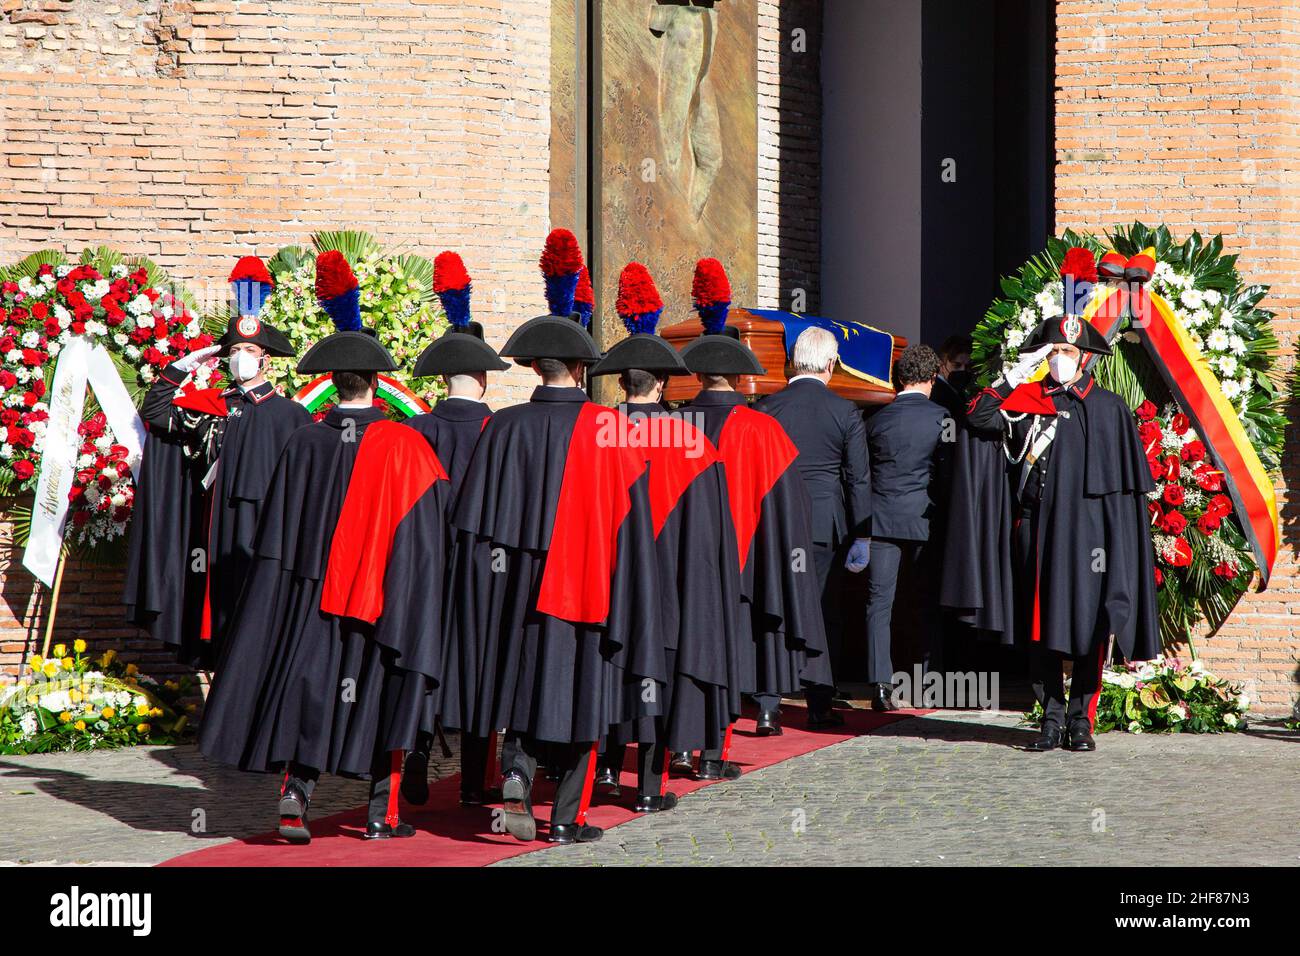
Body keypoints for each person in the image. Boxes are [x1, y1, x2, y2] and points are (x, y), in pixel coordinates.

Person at [198, 251, 450, 842]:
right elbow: (424, 543)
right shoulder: (404, 445)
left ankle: (295, 795)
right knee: (383, 693)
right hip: (379, 596)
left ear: (332, 384)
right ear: (380, 384)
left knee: (306, 691)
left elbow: (275, 535)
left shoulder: (304, 442)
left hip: (310, 594)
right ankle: (380, 816)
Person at [444, 230, 665, 844]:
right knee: (580, 692)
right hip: (587, 584)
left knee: (523, 681)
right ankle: (566, 819)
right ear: (580, 367)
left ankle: (515, 772)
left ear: (534, 369)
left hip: (515, 587)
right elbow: (633, 528)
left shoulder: (504, 426)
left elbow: (476, 524)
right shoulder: (609, 428)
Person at [942, 247, 1160, 752]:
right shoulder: (1029, 400)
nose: (1061, 361)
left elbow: (1124, 493)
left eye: (1067, 354)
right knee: (1040, 628)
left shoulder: (1109, 410)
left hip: (1089, 538)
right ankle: (1050, 716)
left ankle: (1082, 719)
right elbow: (977, 416)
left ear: (1085, 357)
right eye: (1054, 353)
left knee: (1088, 626)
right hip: (1035, 527)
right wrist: (1020, 371)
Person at [588, 262, 742, 808]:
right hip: (674, 586)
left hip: (607, 585)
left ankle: (602, 772)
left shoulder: (597, 435)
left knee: (610, 665)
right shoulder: (694, 442)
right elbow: (712, 537)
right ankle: (650, 790)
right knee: (662, 671)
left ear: (624, 382)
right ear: (662, 382)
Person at [676, 258, 836, 756]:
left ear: (698, 373)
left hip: (687, 556)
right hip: (751, 556)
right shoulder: (762, 428)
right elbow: (787, 510)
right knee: (758, 622)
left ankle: (680, 742)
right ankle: (761, 711)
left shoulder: (672, 426)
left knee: (688, 637)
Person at [124, 256, 308, 671]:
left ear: (266, 359)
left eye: (251, 350)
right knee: (218, 620)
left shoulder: (290, 415)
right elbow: (156, 412)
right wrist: (182, 367)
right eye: (236, 350)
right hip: (214, 527)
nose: (242, 356)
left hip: (266, 530)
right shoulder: (213, 407)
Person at [401, 250, 510, 808]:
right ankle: (473, 782)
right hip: (481, 568)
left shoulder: (415, 429)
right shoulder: (500, 429)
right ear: (484, 380)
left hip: (423, 566)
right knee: (479, 666)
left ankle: (415, 765)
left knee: (423, 662)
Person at [756, 324, 870, 719]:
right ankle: (819, 701)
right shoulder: (844, 410)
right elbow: (858, 478)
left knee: (773, 606)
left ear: (794, 361)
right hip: (824, 524)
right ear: (831, 364)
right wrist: (863, 534)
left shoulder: (767, 408)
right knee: (823, 612)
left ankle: (768, 705)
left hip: (775, 522)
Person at [862, 344, 950, 710]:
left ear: (899, 379)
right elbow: (947, 473)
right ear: (931, 379)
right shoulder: (943, 417)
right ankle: (931, 682)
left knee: (878, 605)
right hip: (924, 520)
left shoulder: (875, 418)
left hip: (882, 519)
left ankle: (880, 685)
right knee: (927, 602)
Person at [931, 333, 973, 422]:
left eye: (967, 367)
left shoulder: (961, 392)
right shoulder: (936, 394)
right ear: (941, 364)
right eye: (957, 365)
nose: (963, 370)